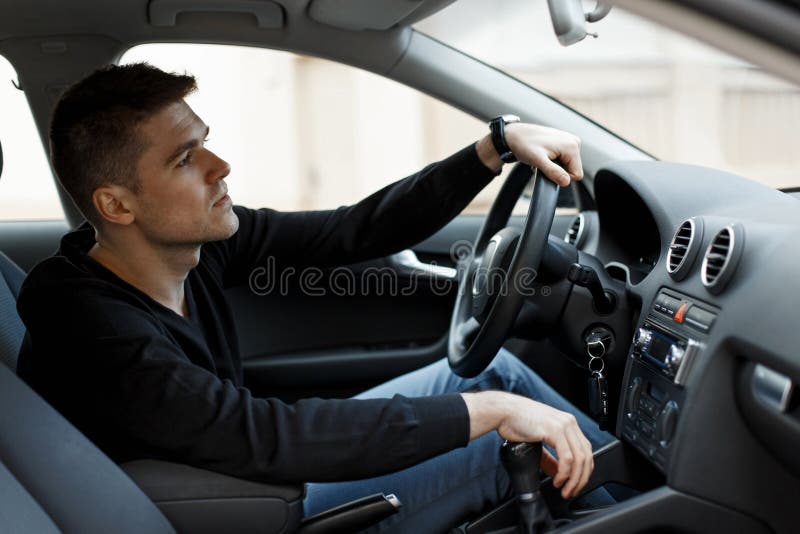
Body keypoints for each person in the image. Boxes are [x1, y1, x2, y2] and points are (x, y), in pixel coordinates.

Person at [16, 63, 610, 532]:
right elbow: (258, 434)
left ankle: (647, 500)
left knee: (495, 378)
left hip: (250, 481)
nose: (220, 166)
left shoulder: (189, 249)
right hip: (255, 509)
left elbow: (354, 230)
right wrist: (492, 416)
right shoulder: (89, 325)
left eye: (206, 143)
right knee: (506, 428)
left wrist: (493, 148)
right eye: (184, 159)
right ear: (117, 205)